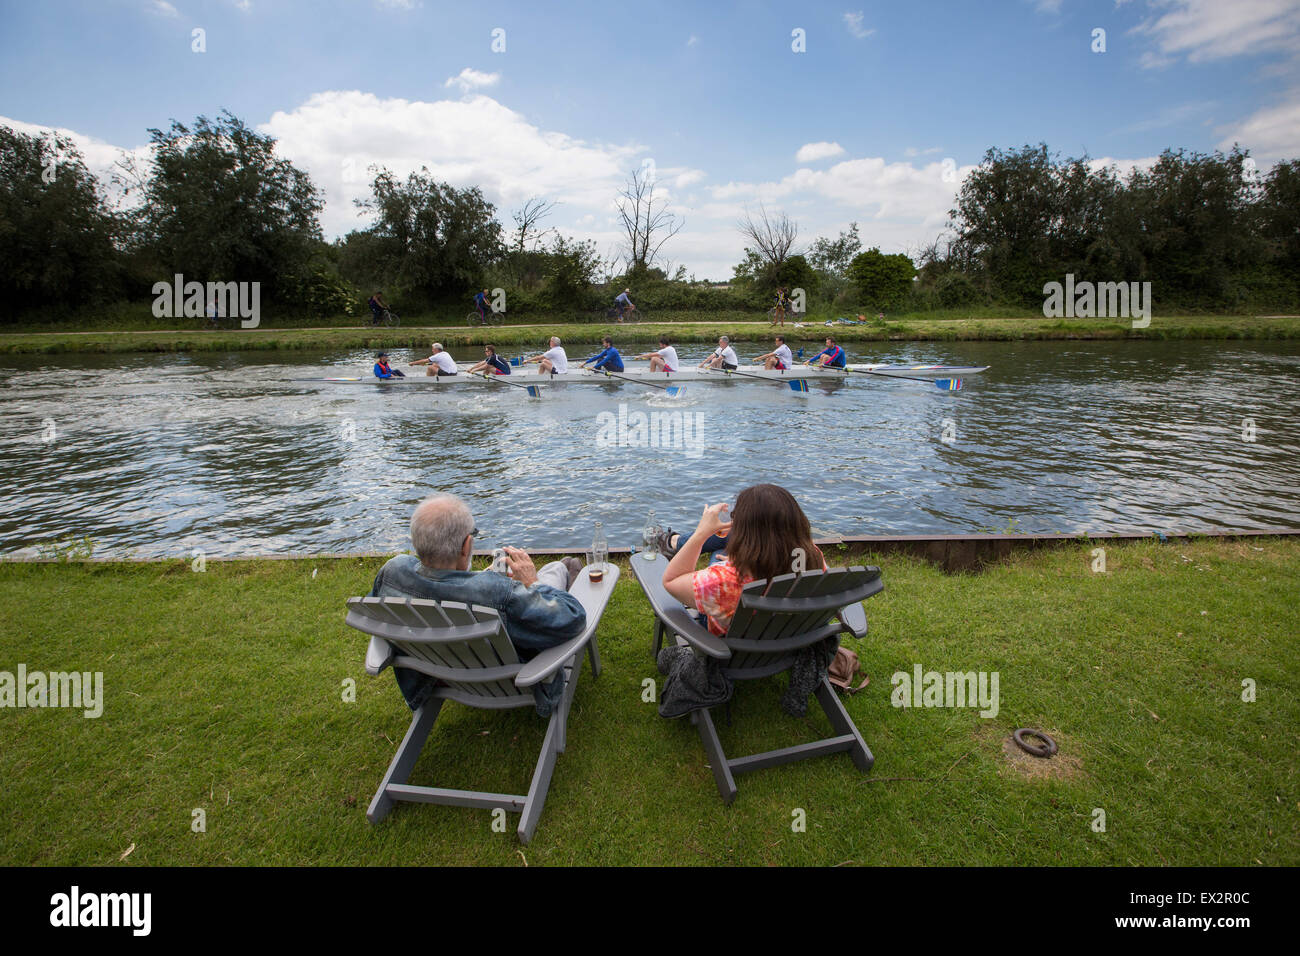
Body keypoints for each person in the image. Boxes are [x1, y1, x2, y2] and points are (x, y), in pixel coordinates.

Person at [368, 493, 585, 711]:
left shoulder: (391, 572)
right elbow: (572, 617)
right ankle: (564, 571)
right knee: (555, 571)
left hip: (436, 674)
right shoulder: (497, 594)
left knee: (551, 573)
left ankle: (563, 570)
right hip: (514, 681)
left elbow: (380, 616)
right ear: (466, 545)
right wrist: (531, 583)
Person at [661, 484, 826, 637]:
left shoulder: (720, 582)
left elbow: (672, 580)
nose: (733, 523)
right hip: (783, 635)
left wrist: (701, 533)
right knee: (723, 543)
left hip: (732, 641)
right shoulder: (813, 558)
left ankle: (673, 542)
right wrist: (744, 560)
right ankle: (675, 542)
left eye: (735, 518)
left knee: (721, 543)